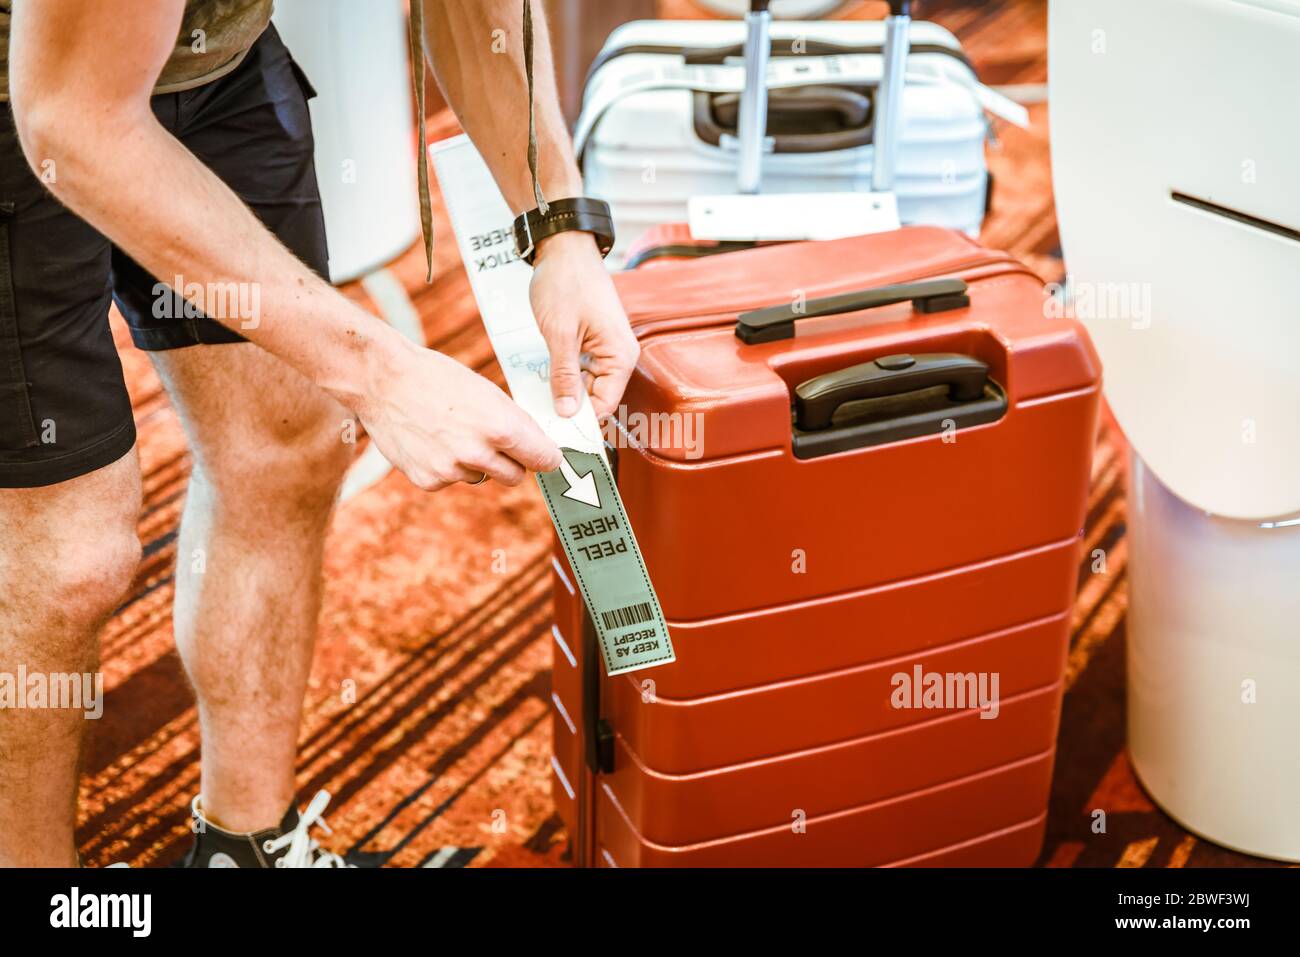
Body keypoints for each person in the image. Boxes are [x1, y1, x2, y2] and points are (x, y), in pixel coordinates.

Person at [0, 0, 637, 867]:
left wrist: (560, 229)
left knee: (290, 445)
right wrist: (381, 371)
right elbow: (70, 120)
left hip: (214, 52)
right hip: (28, 95)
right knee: (68, 557)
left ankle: (247, 851)